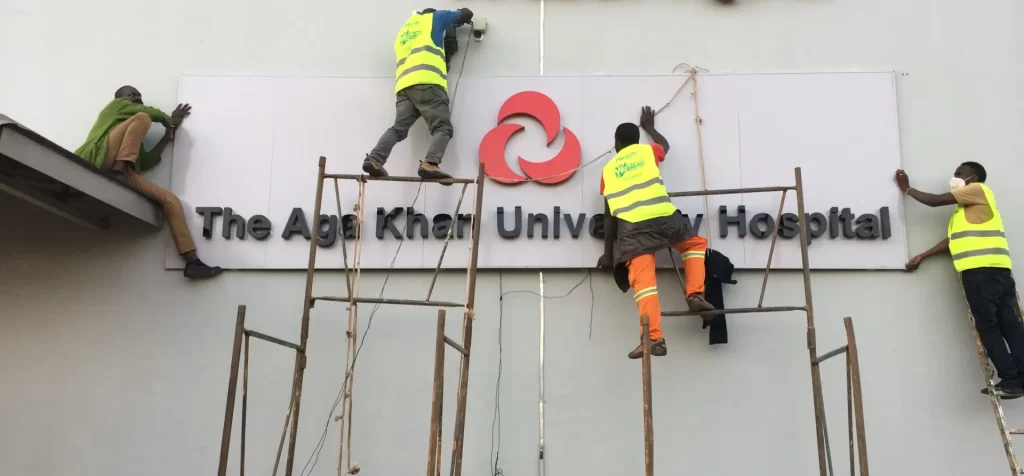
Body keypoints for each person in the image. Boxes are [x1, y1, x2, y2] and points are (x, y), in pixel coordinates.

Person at [597, 106, 716, 360]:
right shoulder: (648, 151)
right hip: (663, 217)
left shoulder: (607, 171)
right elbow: (665, 145)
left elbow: (609, 217)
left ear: (617, 143)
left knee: (644, 285)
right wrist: (649, 127)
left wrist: (608, 254)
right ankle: (695, 294)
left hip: (632, 229)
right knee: (694, 245)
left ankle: (653, 339)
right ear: (636, 141)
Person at [896, 163, 1024, 398]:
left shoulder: (976, 189)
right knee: (1010, 325)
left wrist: (907, 189)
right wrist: (925, 255)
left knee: (988, 326)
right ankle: (1020, 377)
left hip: (980, 274)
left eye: (960, 173)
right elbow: (953, 240)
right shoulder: (968, 210)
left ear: (973, 177)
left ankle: (1011, 379)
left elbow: (933, 201)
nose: (955, 177)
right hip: (999, 272)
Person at [75, 86, 223, 280]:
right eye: (131, 94)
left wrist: (167, 135)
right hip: (97, 160)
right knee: (143, 118)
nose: (136, 97)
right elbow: (147, 114)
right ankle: (117, 171)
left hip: (122, 170)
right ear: (121, 99)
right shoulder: (115, 107)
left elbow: (145, 162)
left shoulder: (132, 135)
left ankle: (192, 262)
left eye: (138, 95)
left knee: (171, 201)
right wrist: (170, 120)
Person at [362, 7, 474, 184]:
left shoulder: (405, 30)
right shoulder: (434, 18)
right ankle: (431, 163)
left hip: (404, 86)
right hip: (428, 81)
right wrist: (458, 17)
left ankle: (375, 159)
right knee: (442, 127)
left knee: (398, 128)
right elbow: (466, 14)